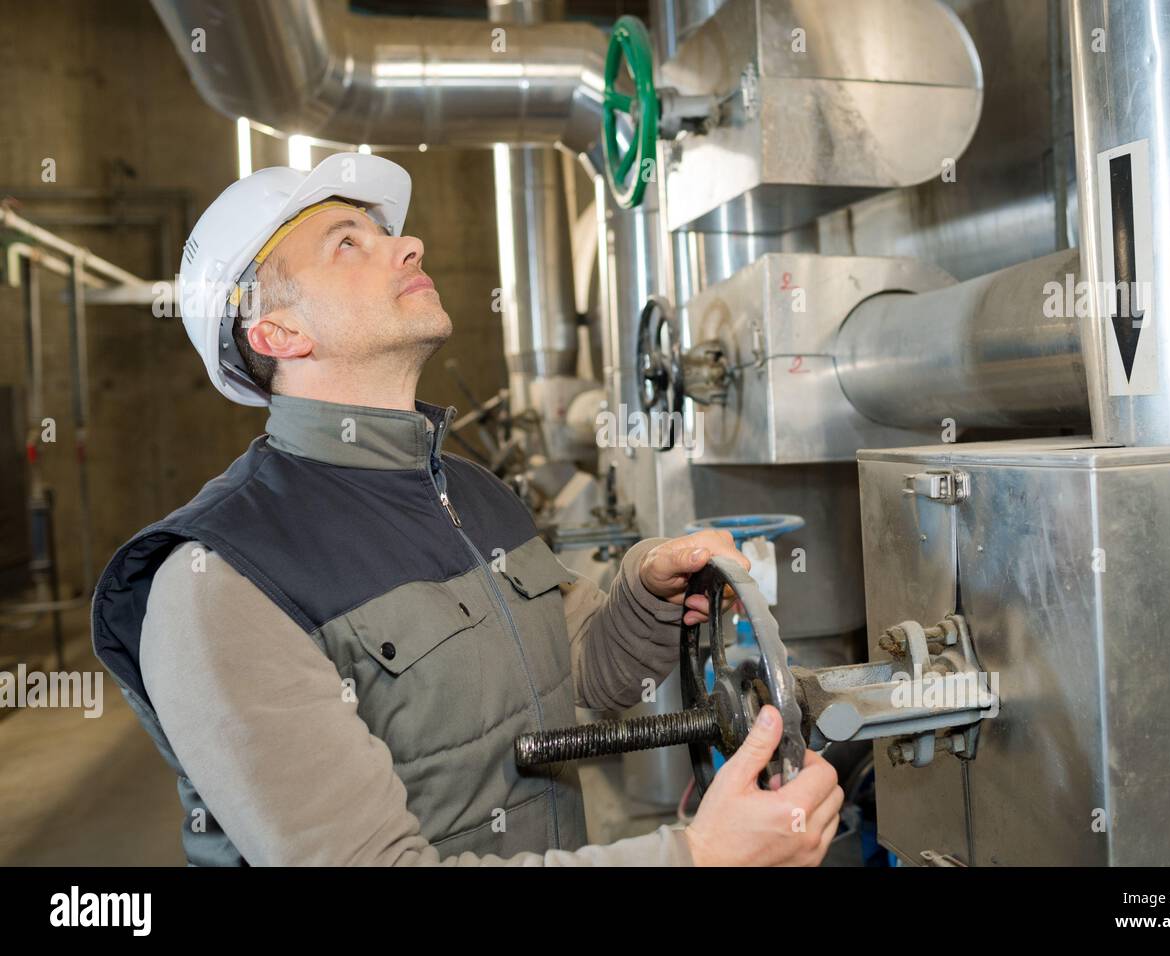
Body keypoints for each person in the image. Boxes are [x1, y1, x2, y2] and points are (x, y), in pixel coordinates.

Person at [91, 153, 842, 865]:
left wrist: (645, 593)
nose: (409, 245)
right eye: (348, 244)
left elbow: (576, 678)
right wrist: (696, 855)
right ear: (279, 331)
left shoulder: (471, 491)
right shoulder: (220, 579)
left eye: (388, 232)